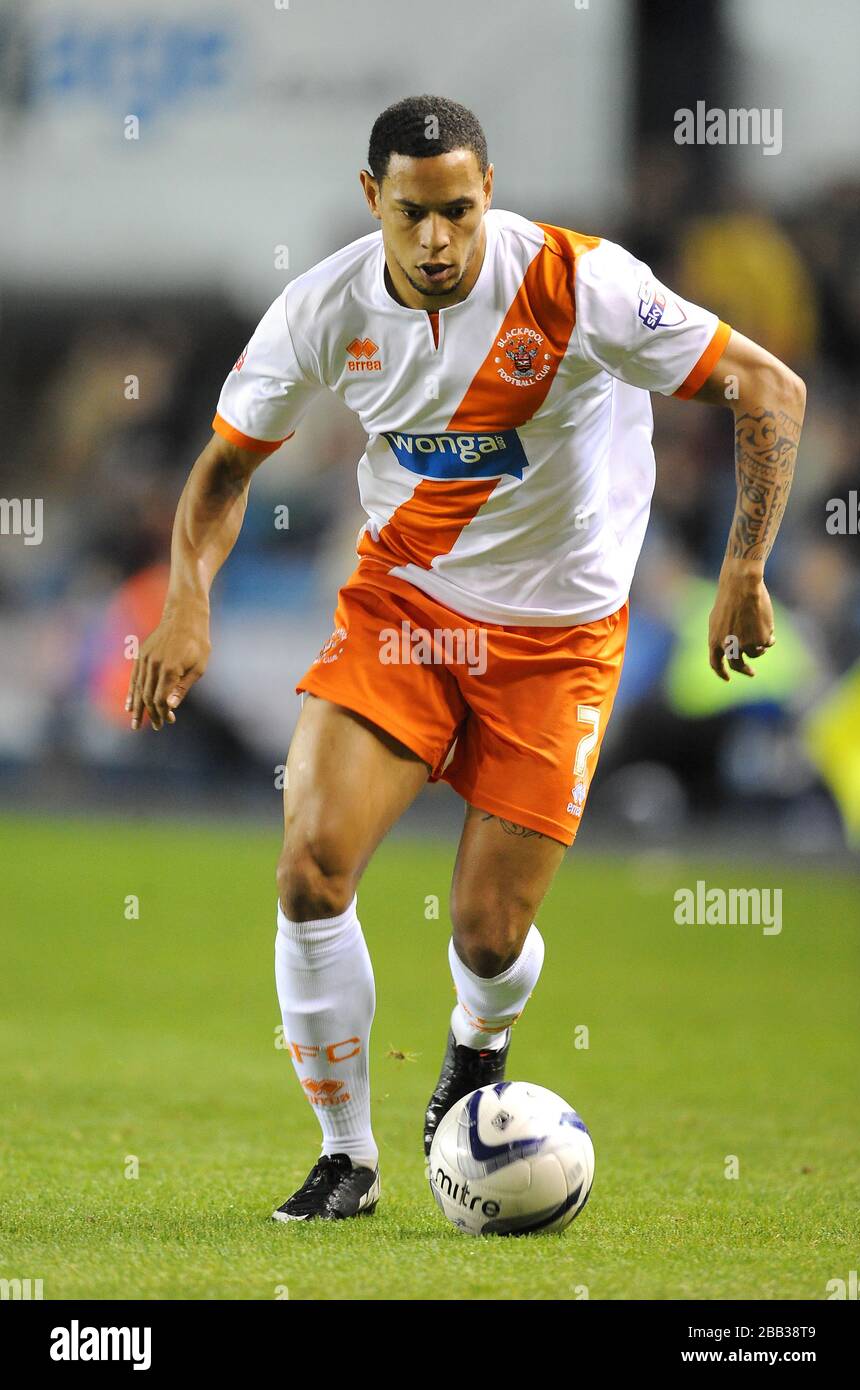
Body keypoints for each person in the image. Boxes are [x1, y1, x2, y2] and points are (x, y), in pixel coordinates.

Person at [126, 95, 806, 1222]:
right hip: (404, 609)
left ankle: (473, 1047)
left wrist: (742, 567)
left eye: (455, 211)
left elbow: (766, 389)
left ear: (486, 192)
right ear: (371, 201)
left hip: (559, 643)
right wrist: (185, 603)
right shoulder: (324, 305)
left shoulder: (581, 285)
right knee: (309, 866)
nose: (435, 239)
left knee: (488, 938)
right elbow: (223, 469)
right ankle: (347, 1156)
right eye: (410, 214)